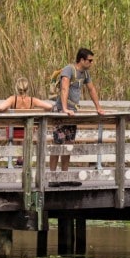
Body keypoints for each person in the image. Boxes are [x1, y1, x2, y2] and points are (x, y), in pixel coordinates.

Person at [50, 48, 106, 176]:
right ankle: (52, 175)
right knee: (58, 143)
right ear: (82, 60)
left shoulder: (85, 74)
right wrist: (64, 109)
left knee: (69, 143)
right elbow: (64, 88)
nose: (92, 63)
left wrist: (98, 107)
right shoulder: (69, 69)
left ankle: (64, 175)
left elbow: (91, 89)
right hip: (61, 112)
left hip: (73, 113)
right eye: (90, 61)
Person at [0, 77, 52, 145]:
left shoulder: (13, 99)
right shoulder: (32, 100)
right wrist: (40, 111)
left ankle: (18, 155)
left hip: (14, 132)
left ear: (17, 88)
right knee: (26, 128)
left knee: (14, 127)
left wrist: (8, 109)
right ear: (27, 89)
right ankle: (22, 155)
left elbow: (0, 108)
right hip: (28, 131)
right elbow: (50, 106)